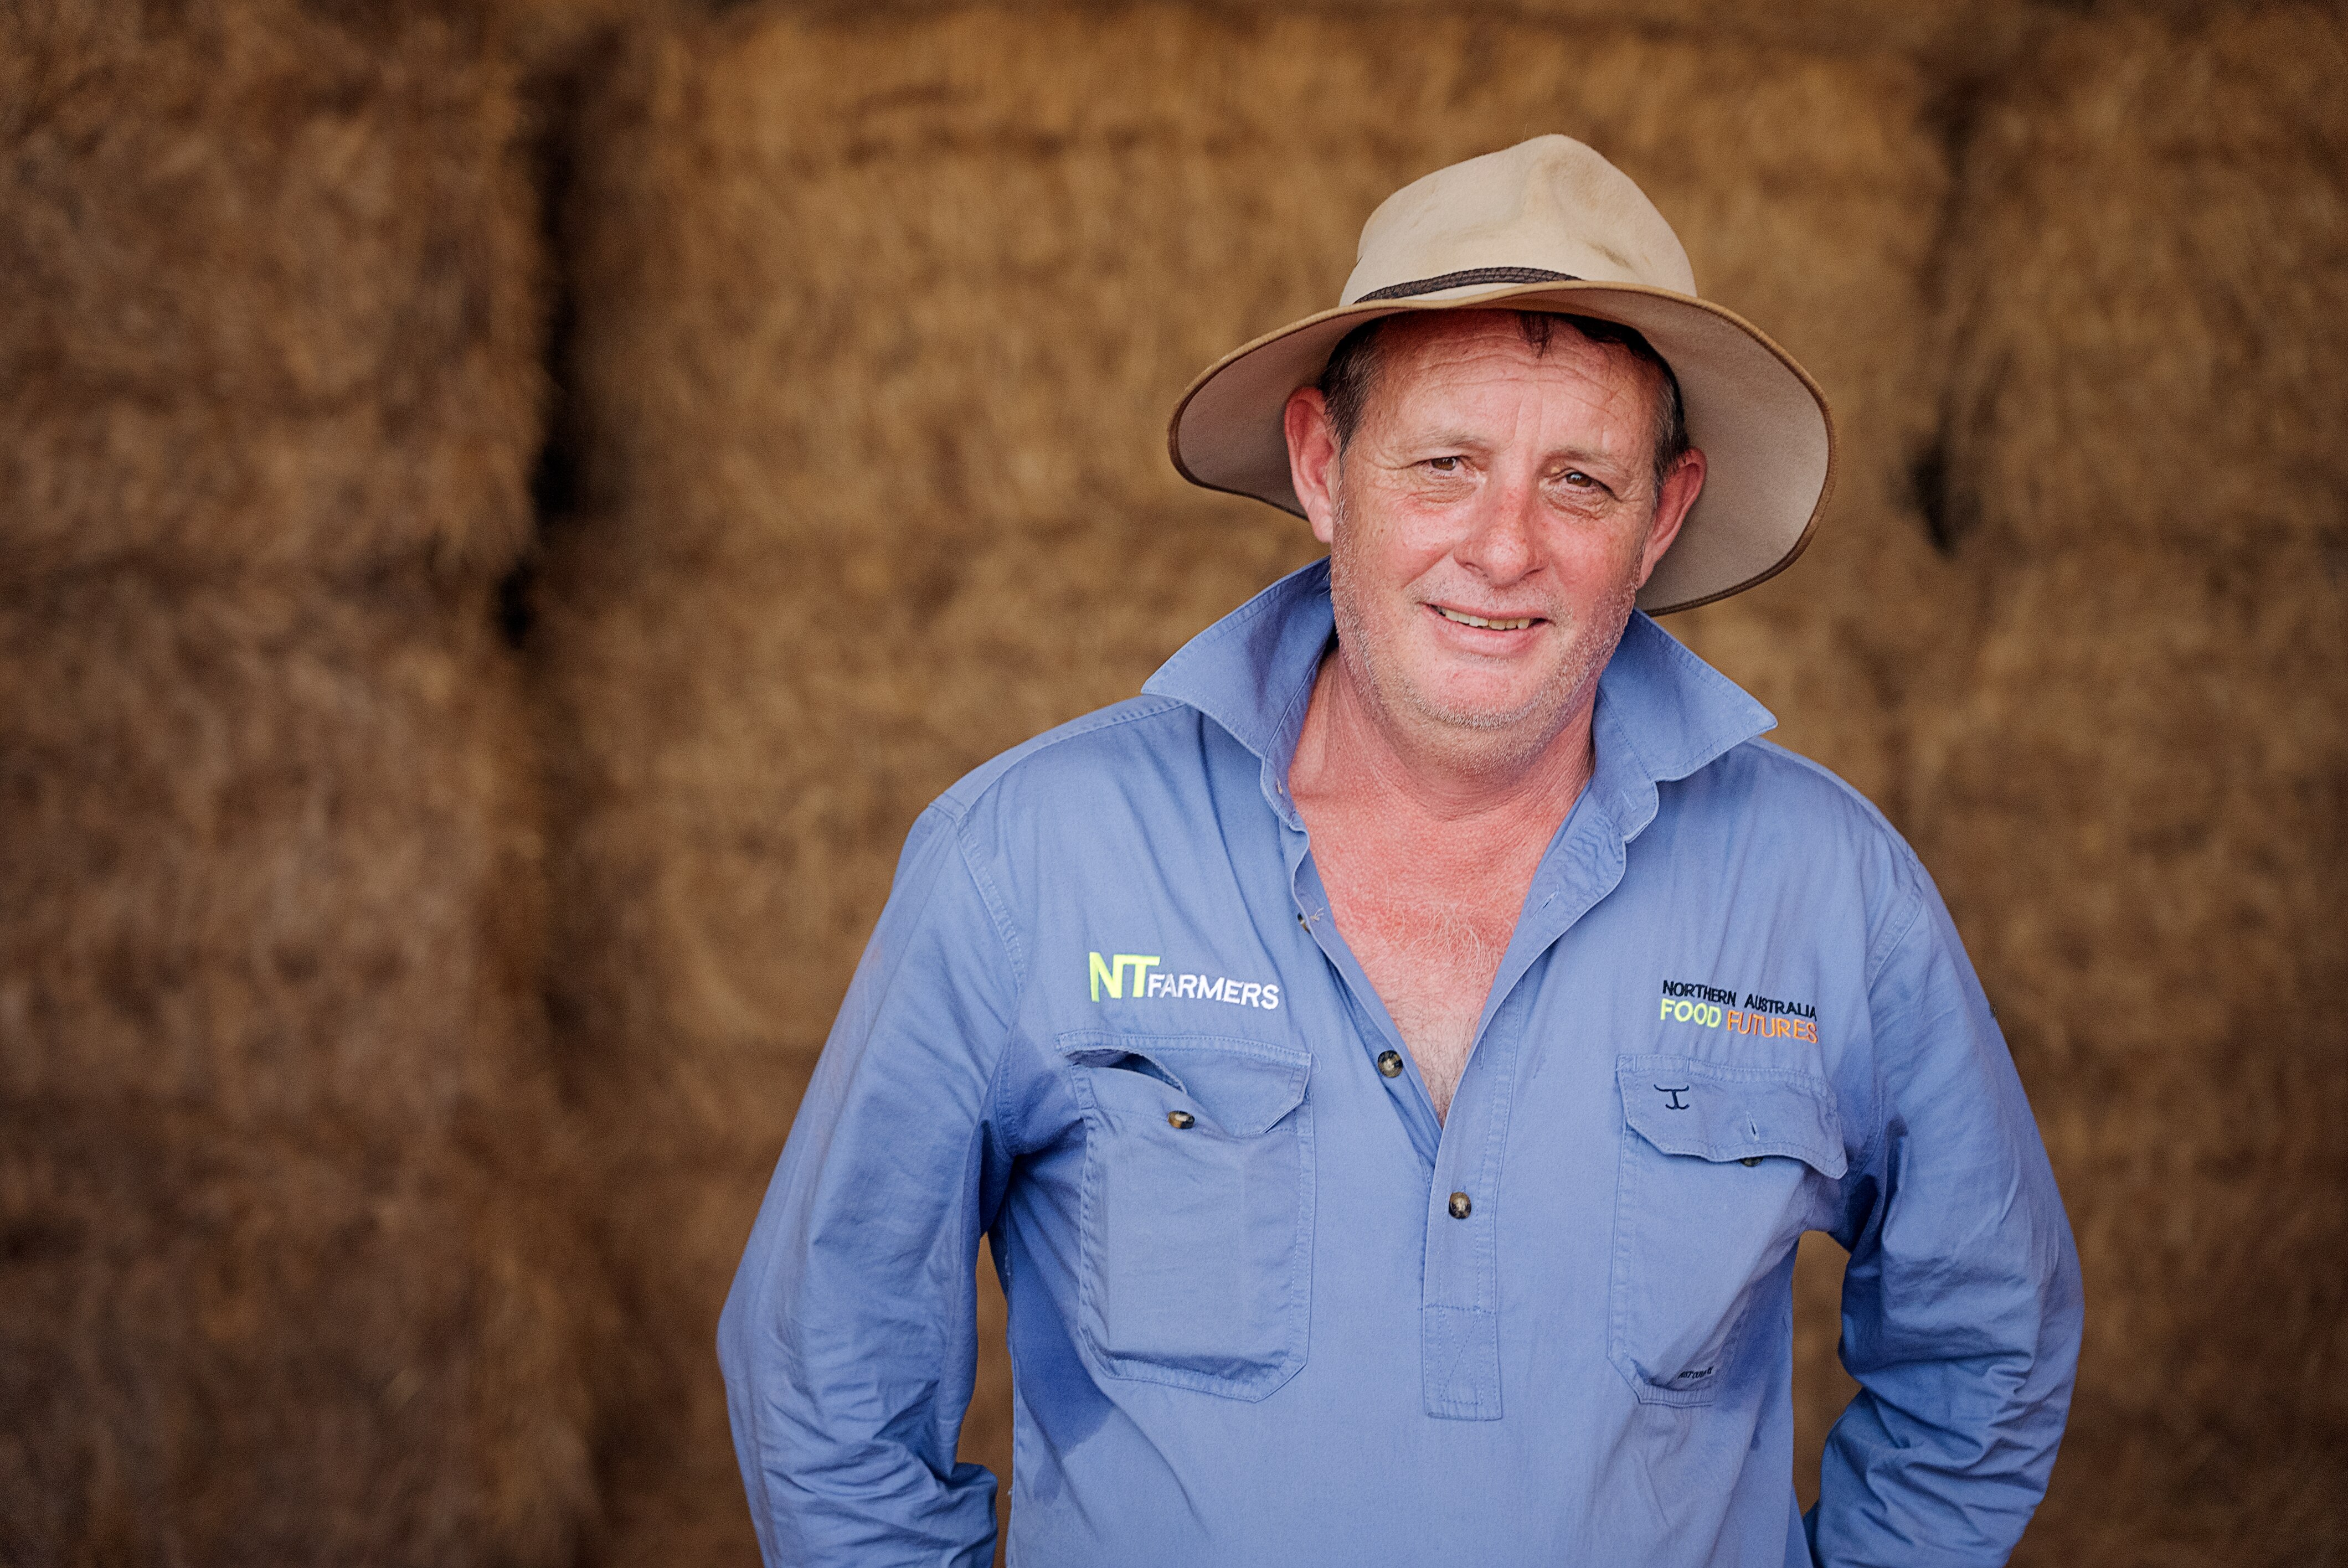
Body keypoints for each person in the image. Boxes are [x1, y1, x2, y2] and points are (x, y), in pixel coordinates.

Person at [718, 135, 2082, 1566]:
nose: (1505, 550)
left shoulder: (1826, 891)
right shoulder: (1033, 860)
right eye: (1446, 465)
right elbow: (827, 1372)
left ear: (1664, 515)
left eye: (1580, 484)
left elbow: (1990, 1344)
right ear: (1325, 466)